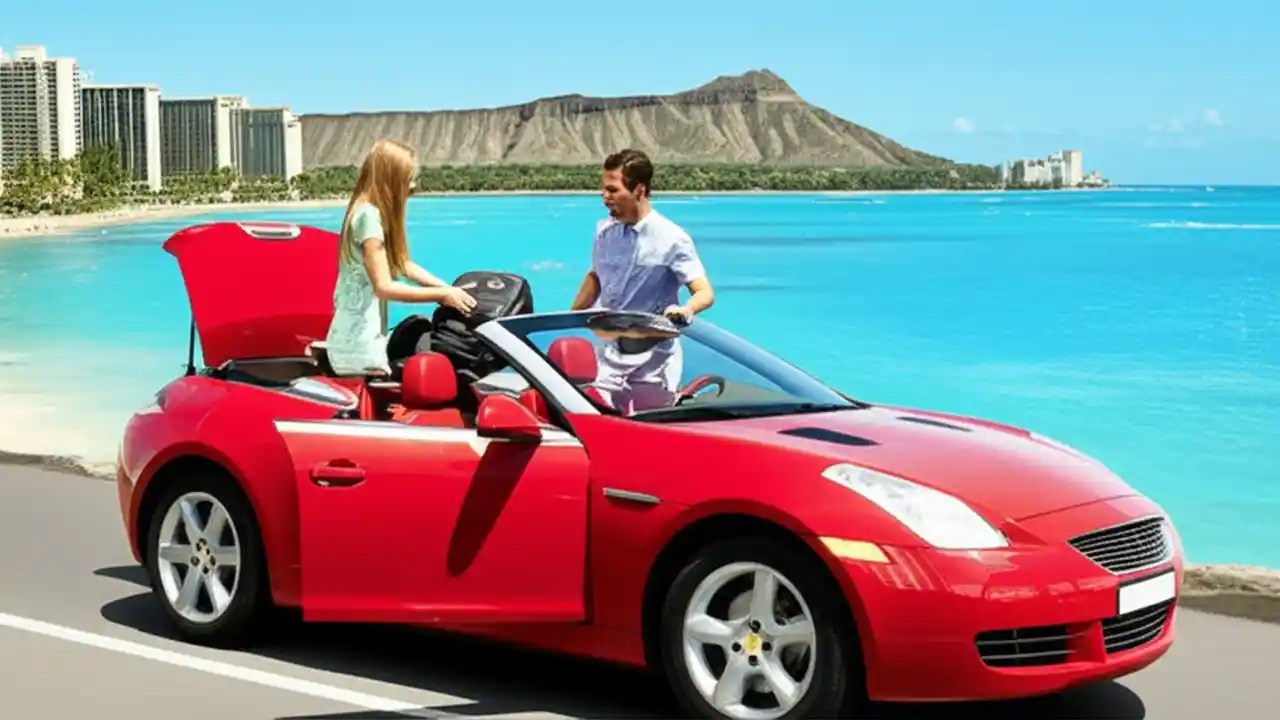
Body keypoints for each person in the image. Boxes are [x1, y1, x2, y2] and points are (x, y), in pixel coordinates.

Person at [569, 148, 715, 412]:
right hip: (608, 354)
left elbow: (704, 292)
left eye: (613, 190)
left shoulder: (672, 238)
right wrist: (568, 319)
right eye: (603, 190)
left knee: (647, 434)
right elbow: (596, 276)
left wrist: (686, 310)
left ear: (639, 190)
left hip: (652, 365)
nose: (604, 198)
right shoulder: (604, 231)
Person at [324, 139, 476, 376]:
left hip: (352, 342)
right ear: (391, 179)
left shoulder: (363, 212)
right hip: (359, 348)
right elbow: (384, 287)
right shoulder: (369, 218)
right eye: (408, 179)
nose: (413, 185)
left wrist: (449, 289)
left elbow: (402, 264)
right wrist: (442, 295)